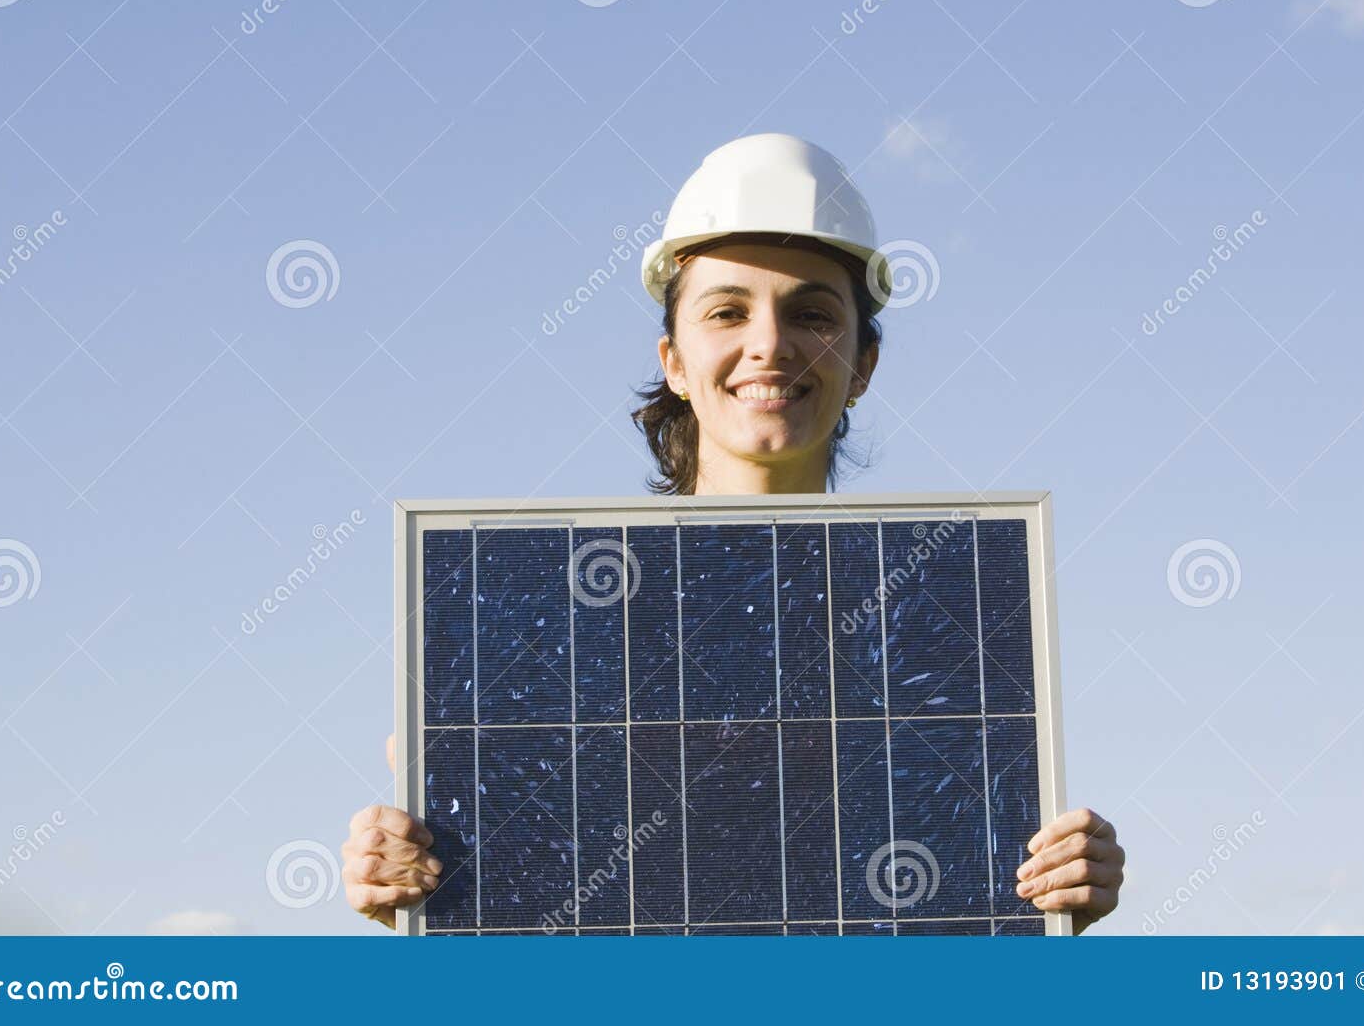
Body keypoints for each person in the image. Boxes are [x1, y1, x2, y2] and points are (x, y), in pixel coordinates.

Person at [342, 133, 1126, 932]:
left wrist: (1060, 886)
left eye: (813, 312)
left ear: (863, 364)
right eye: (727, 311)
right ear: (674, 360)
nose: (769, 344)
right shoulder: (549, 623)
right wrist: (407, 880)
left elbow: (965, 913)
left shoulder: (945, 612)